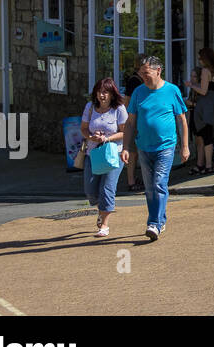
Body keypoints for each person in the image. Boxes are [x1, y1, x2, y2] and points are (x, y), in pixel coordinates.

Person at [121, 55, 189, 241]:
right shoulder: (138, 93)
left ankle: (154, 223)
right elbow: (130, 122)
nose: (143, 76)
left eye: (146, 72)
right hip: (143, 147)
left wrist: (185, 146)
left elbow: (182, 120)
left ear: (158, 71)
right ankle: (160, 219)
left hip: (165, 147)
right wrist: (126, 147)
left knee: (159, 184)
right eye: (141, 73)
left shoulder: (172, 91)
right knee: (150, 188)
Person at [81, 77, 128, 238]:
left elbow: (125, 132)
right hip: (93, 154)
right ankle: (101, 211)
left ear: (112, 94)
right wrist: (92, 137)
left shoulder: (119, 109)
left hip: (114, 155)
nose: (102, 95)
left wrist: (107, 138)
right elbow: (84, 129)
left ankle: (104, 225)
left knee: (107, 189)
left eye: (106, 92)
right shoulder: (90, 107)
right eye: (100, 92)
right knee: (90, 190)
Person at [120, 55, 145, 192]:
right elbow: (127, 101)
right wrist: (130, 119)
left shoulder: (140, 79)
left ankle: (134, 179)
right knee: (133, 152)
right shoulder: (134, 81)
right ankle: (131, 181)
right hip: (134, 119)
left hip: (140, 119)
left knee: (136, 152)